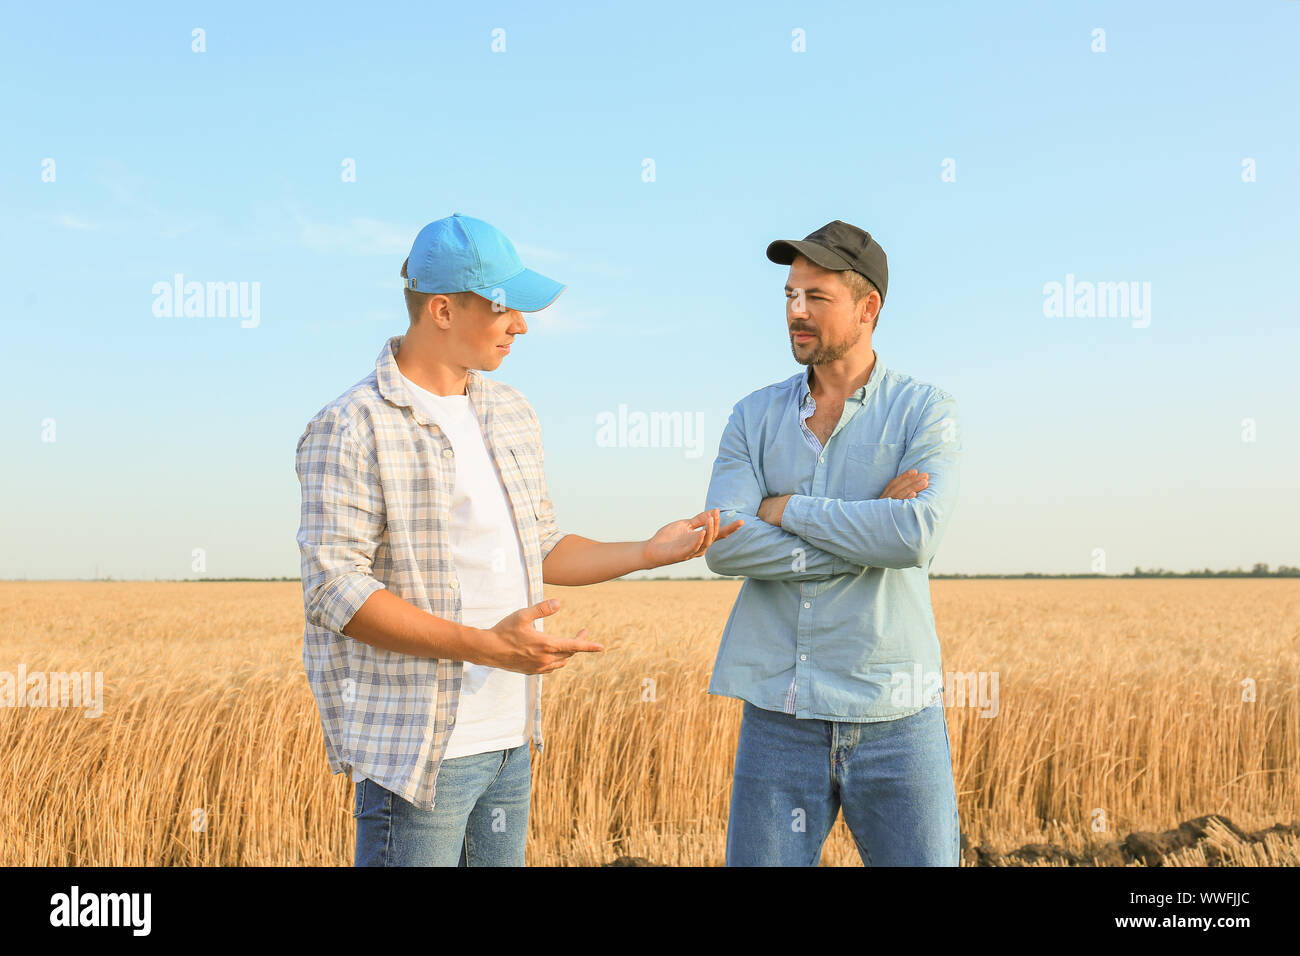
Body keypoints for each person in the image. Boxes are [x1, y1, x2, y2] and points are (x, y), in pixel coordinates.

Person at [294, 213, 740, 866]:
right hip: (421, 755)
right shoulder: (350, 425)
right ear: (443, 309)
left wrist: (648, 551)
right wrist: (486, 647)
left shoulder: (511, 411)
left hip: (511, 740)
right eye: (504, 307)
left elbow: (542, 547)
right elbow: (335, 590)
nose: (521, 324)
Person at [703, 219, 963, 866]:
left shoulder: (925, 411)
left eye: (816, 297)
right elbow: (724, 546)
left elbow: (916, 535)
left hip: (897, 717)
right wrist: (870, 520)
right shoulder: (753, 416)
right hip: (778, 717)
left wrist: (786, 509)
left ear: (868, 307)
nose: (796, 311)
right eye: (791, 295)